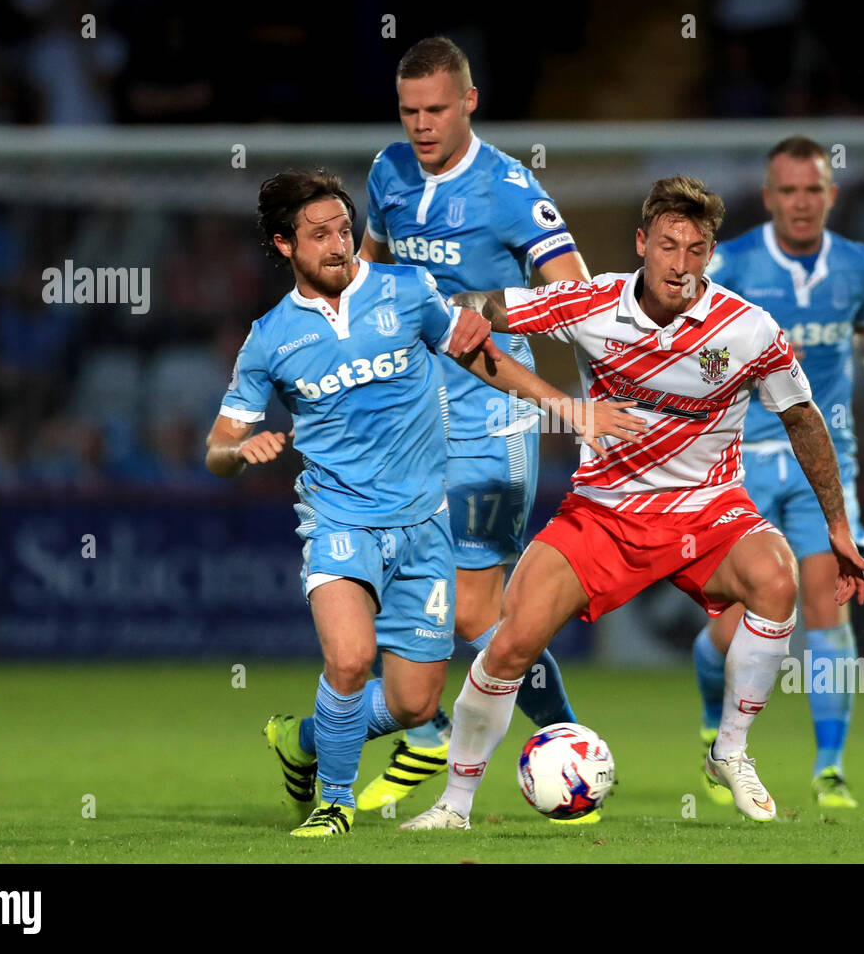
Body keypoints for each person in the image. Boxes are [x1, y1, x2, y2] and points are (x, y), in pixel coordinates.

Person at [399, 175, 864, 831]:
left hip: (706, 513)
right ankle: (454, 805)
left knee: (775, 577)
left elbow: (803, 417)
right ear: (642, 242)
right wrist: (519, 362)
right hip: (603, 514)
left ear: (710, 254)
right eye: (669, 245)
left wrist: (839, 524)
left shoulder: (747, 329)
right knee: (511, 646)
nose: (681, 264)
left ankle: (729, 753)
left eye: (696, 249)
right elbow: (478, 311)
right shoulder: (591, 303)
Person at [205, 168, 643, 837]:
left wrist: (568, 409)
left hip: (424, 523)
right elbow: (219, 445)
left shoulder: (408, 291)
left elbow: (478, 356)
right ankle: (336, 802)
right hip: (340, 518)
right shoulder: (270, 338)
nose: (336, 244)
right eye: (317, 234)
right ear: (284, 244)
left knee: (414, 705)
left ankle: (302, 740)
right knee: (349, 660)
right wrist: (242, 453)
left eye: (343, 229)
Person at [355, 36, 596, 815]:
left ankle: (561, 742)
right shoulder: (387, 172)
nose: (421, 125)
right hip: (407, 418)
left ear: (469, 103)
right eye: (409, 111)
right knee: (452, 610)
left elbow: (580, 300)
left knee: (470, 613)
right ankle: (561, 743)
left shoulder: (510, 191)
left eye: (435, 109)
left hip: (493, 418)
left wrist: (495, 313)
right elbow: (371, 274)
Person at [693, 136, 864, 809]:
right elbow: (698, 348)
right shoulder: (732, 263)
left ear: (830, 195)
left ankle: (830, 767)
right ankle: (712, 726)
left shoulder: (856, 264)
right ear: (769, 197)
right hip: (741, 466)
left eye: (813, 189)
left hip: (824, 463)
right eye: (788, 191)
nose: (801, 202)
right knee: (727, 629)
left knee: (825, 604)